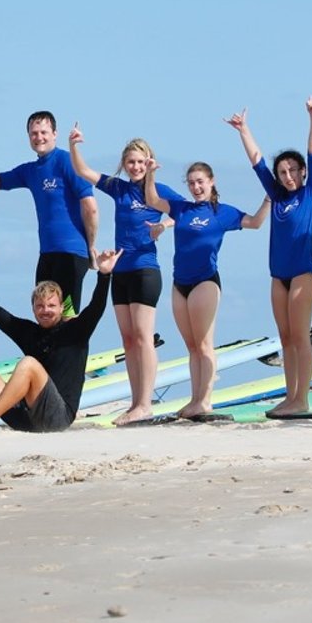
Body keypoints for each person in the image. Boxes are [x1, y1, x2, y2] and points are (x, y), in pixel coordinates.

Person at [141, 158, 269, 420]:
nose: (196, 187)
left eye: (200, 182)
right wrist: (151, 174)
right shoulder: (181, 209)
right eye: (191, 183)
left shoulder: (222, 212)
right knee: (191, 346)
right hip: (180, 282)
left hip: (205, 282)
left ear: (211, 181)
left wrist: (269, 198)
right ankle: (195, 399)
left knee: (204, 343)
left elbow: (255, 223)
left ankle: (205, 401)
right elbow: (153, 201)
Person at [0, 249, 119, 432]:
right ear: (33, 309)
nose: (45, 310)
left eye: (51, 305)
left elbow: (97, 307)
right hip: (24, 417)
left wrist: (104, 274)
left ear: (61, 308)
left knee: (29, 364)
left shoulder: (77, 330)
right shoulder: (28, 331)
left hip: (57, 417)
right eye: (40, 306)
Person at [69, 125, 177, 425]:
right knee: (128, 340)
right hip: (120, 270)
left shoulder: (158, 192)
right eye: (131, 162)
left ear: (150, 162)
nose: (136, 167)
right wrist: (73, 144)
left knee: (143, 338)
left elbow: (188, 210)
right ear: (124, 164)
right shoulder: (118, 188)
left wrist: (162, 226)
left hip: (146, 269)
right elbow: (82, 170)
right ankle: (136, 403)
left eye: (142, 162)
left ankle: (145, 403)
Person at [227, 99, 312, 418]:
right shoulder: (279, 196)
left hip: (303, 274)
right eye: (282, 172)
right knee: (284, 339)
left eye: (292, 170)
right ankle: (289, 396)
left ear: (302, 172)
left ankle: (302, 399)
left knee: (300, 336)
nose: (287, 176)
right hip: (278, 275)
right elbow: (256, 162)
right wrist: (244, 130)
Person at [0, 111, 99, 315]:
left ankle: (74, 347)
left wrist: (91, 247)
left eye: (44, 132)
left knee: (66, 316)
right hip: (46, 254)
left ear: (55, 133)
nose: (39, 137)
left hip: (72, 254)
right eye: (34, 133)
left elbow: (90, 207)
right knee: (43, 313)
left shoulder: (68, 161)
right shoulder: (31, 171)